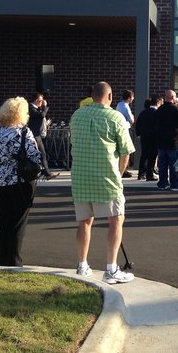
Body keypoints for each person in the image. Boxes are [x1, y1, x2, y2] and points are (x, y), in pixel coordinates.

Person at [71, 81, 135, 284]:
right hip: (107, 176)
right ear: (109, 96)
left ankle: (82, 265)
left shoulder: (77, 115)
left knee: (84, 221)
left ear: (92, 95)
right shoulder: (115, 117)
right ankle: (111, 268)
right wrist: (119, 173)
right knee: (116, 218)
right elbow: (125, 152)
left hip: (81, 177)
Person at [0, 96, 42, 266]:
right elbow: (34, 156)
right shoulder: (24, 132)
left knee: (4, 222)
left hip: (1, 183)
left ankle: (1, 260)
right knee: (18, 223)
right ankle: (14, 261)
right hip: (21, 182)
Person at [154, 89, 178, 191]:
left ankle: (162, 183)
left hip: (161, 141)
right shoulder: (177, 109)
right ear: (173, 97)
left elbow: (154, 123)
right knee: (174, 164)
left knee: (162, 164)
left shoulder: (159, 110)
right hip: (175, 141)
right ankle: (175, 184)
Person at [28, 93, 59, 180]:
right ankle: (44, 172)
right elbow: (41, 115)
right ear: (37, 100)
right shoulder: (30, 108)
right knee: (38, 154)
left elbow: (40, 118)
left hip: (38, 135)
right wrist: (45, 106)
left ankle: (46, 172)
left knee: (42, 154)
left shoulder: (37, 109)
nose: (42, 102)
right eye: (41, 101)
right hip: (33, 135)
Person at [134, 95, 161, 181]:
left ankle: (141, 174)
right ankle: (150, 174)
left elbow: (137, 124)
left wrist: (138, 134)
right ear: (158, 103)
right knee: (152, 156)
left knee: (144, 155)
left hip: (144, 137)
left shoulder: (143, 112)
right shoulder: (157, 113)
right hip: (154, 137)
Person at [116, 90, 136, 178]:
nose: (133, 98)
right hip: (125, 129)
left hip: (119, 128)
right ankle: (124, 170)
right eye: (132, 97)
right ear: (129, 98)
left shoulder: (119, 104)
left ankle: (122, 169)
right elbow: (131, 119)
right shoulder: (125, 107)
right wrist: (132, 118)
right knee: (126, 150)